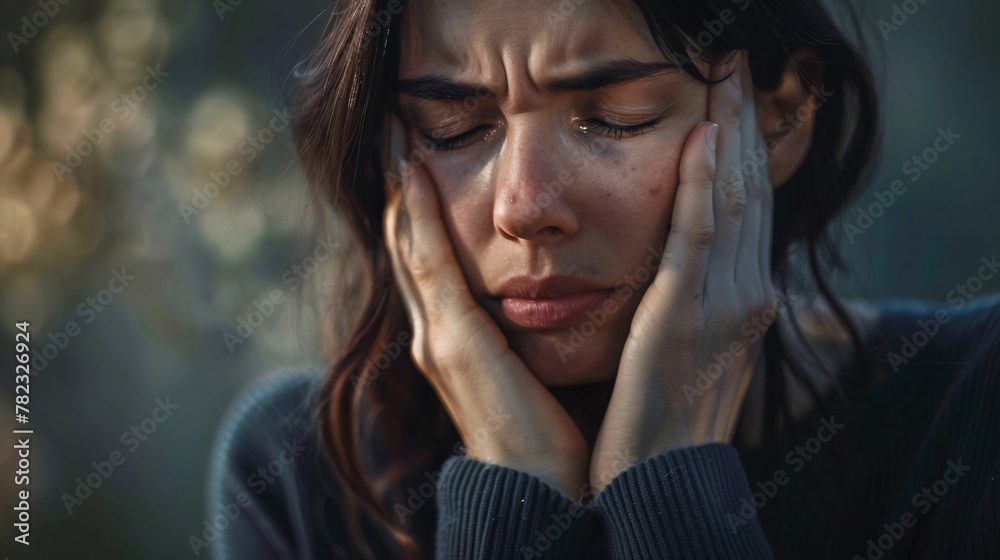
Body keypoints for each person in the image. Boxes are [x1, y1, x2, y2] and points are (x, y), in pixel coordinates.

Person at [206, 0, 1000, 558]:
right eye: (455, 126)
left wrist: (670, 485)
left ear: (780, 114)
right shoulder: (302, 478)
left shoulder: (973, 407)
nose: (523, 206)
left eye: (615, 117)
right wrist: (516, 498)